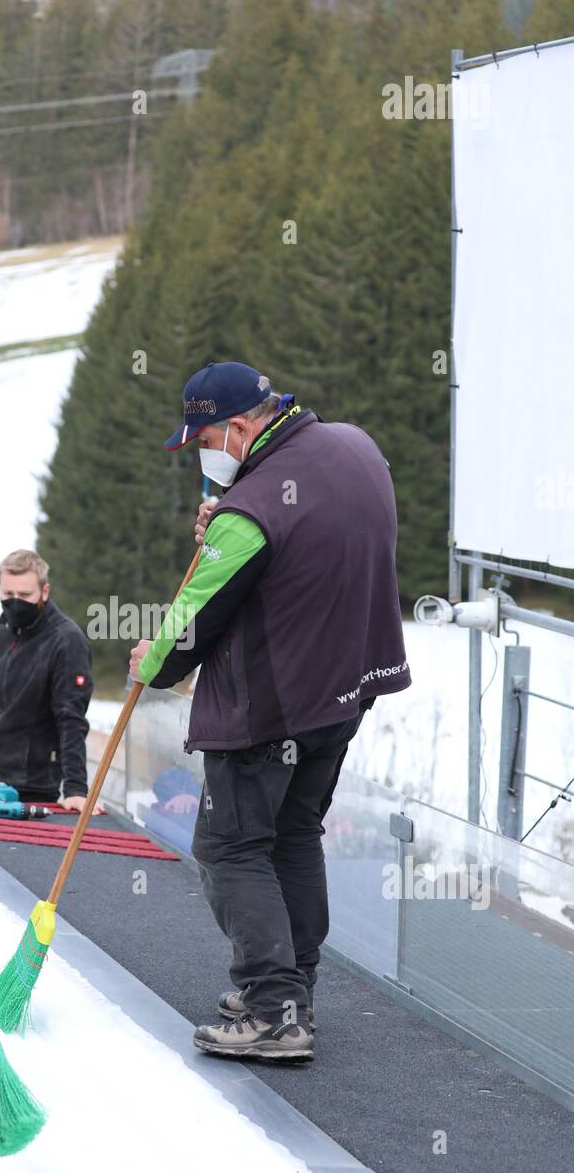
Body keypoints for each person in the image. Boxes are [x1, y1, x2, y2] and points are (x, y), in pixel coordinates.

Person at [129, 361, 411, 1061]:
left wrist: (152, 664)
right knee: (293, 835)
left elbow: (190, 625)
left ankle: (273, 1012)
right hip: (345, 690)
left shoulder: (249, 511)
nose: (203, 452)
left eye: (204, 438)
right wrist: (228, 519)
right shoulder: (353, 448)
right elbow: (313, 539)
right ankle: (294, 989)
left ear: (241, 426)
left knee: (230, 847)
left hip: (271, 706)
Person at [0, 549, 102, 813]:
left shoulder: (66, 641)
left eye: (25, 596)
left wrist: (75, 789)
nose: (15, 603)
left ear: (44, 592)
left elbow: (71, 718)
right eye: (8, 595)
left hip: (28, 785)